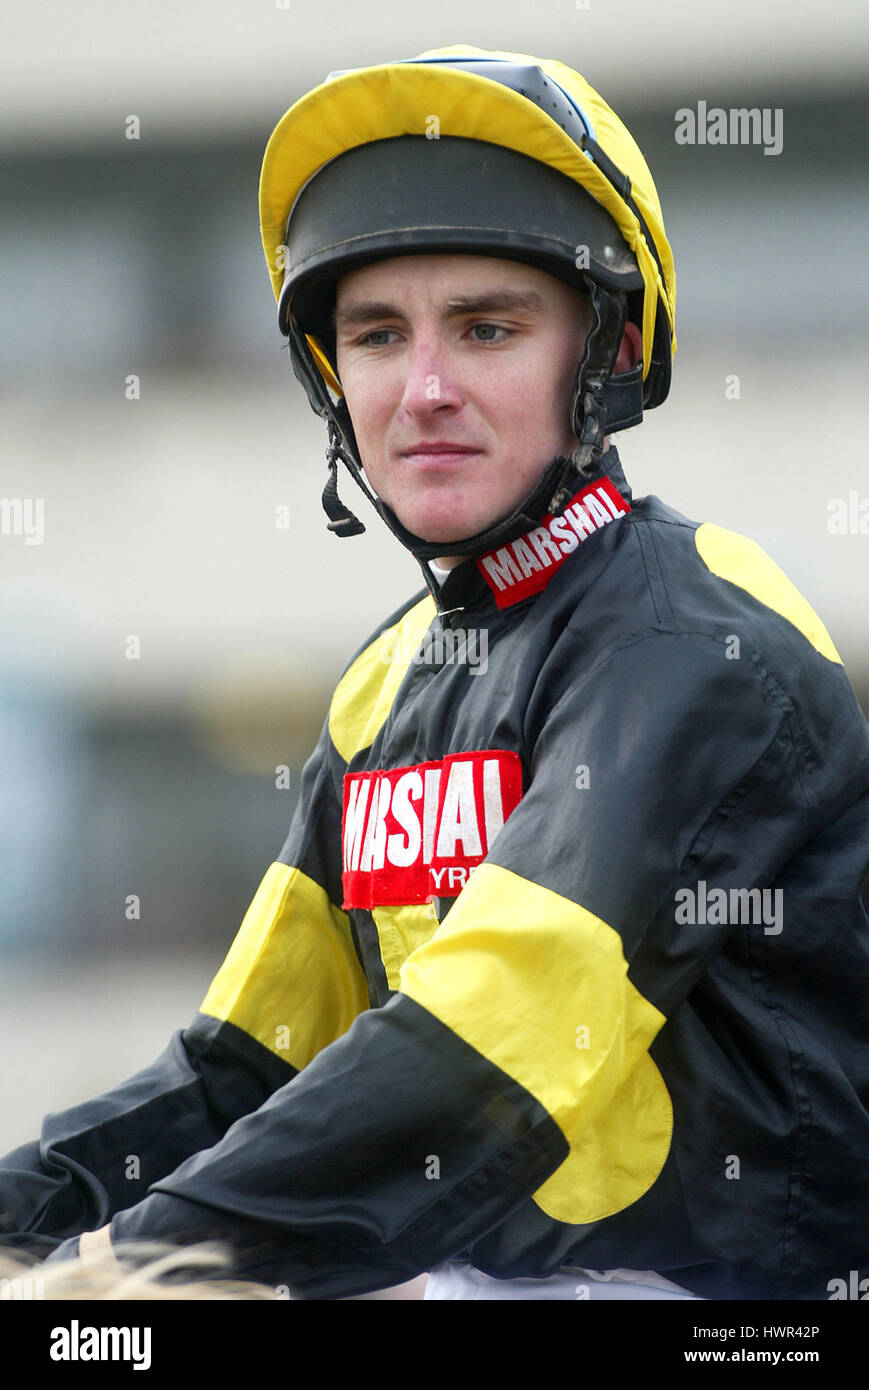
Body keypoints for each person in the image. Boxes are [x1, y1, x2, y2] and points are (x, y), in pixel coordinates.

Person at [1, 45, 867, 1301]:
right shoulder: (388, 678)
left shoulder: (688, 638)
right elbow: (246, 1066)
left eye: (485, 328)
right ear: (328, 379)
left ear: (605, 350)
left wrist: (115, 1271)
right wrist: (32, 1205)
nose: (422, 391)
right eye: (374, 335)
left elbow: (483, 1051)